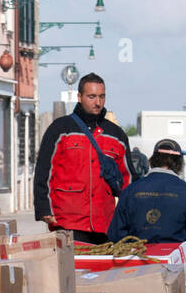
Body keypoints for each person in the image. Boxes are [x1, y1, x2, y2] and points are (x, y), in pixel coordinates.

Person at [32, 73, 134, 244]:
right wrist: (44, 208)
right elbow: (44, 171)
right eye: (91, 96)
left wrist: (131, 214)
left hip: (104, 223)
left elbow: (128, 179)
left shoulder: (117, 135)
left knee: (100, 270)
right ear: (79, 97)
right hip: (67, 220)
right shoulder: (60, 129)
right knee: (72, 269)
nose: (98, 102)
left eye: (102, 97)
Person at [106, 138, 186, 277]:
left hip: (136, 266)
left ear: (153, 160)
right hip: (176, 266)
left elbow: (116, 234)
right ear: (179, 164)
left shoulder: (130, 191)